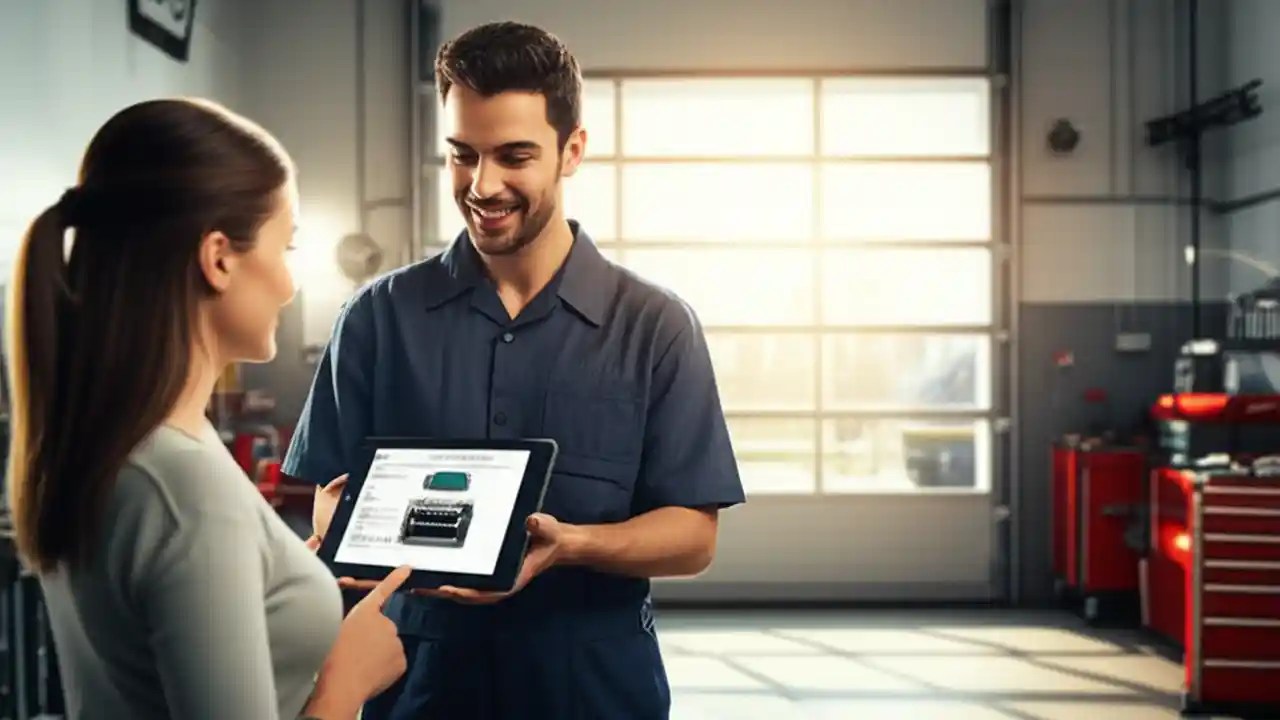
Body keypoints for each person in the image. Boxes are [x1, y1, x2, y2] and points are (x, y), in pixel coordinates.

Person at [284, 21, 746, 720]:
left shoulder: (655, 325)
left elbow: (694, 538)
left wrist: (570, 547)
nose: (483, 185)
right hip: (414, 684)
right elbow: (330, 495)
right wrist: (365, 527)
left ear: (572, 152)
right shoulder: (376, 316)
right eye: (462, 155)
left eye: (514, 156)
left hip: (593, 688)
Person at [5, 98, 411, 720]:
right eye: (288, 245)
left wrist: (276, 575)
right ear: (219, 257)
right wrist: (347, 683)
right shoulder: (186, 490)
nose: (290, 282)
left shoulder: (123, 450)